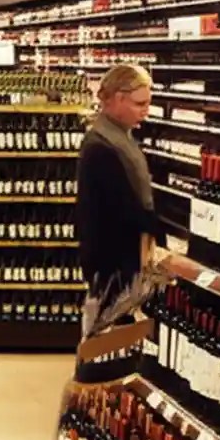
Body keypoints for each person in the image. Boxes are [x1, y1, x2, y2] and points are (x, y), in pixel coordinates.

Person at [75, 64, 165, 340]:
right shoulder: (101, 145)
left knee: (112, 335)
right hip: (111, 260)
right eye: (140, 104)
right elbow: (122, 208)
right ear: (117, 98)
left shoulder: (117, 135)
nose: (145, 111)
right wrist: (157, 231)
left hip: (117, 257)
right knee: (103, 336)